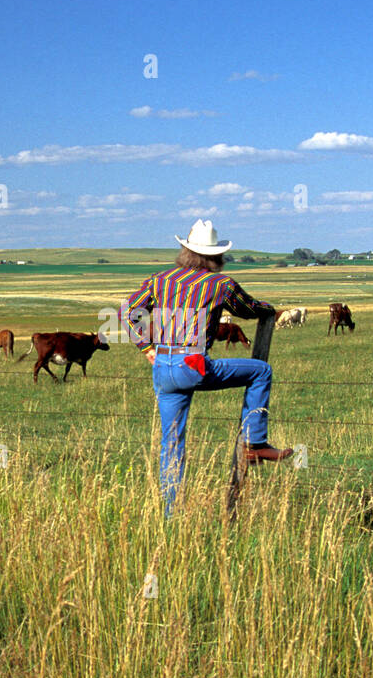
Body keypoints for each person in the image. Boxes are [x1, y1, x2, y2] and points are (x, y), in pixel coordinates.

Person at [122, 219, 293, 516]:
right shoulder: (220, 284)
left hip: (162, 366)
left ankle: (171, 515)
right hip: (192, 363)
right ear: (216, 256)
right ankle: (255, 441)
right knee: (260, 371)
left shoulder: (159, 280)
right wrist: (268, 309)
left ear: (185, 251)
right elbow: (248, 308)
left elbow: (127, 312)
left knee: (171, 443)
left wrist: (147, 348)